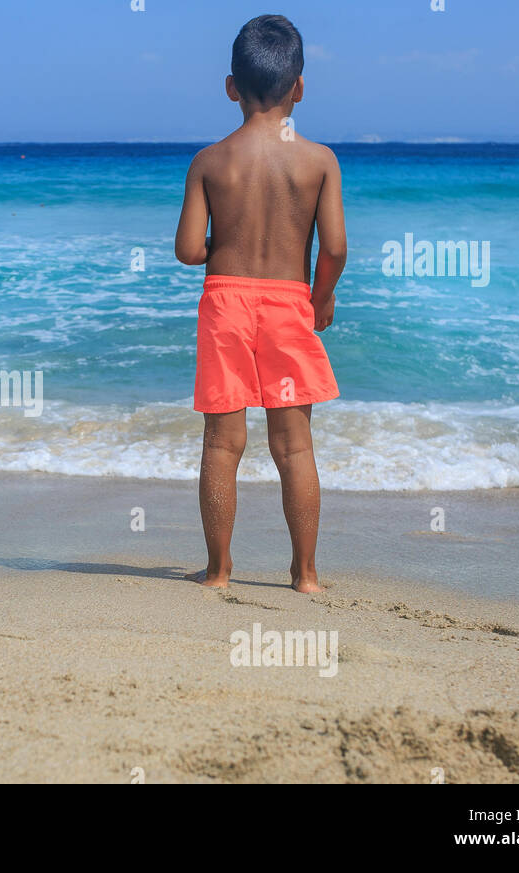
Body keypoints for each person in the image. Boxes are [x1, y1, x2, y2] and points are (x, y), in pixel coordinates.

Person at [174, 14, 347, 593]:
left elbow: (186, 250)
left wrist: (219, 247)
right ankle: (306, 574)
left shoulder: (209, 161)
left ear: (231, 87)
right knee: (294, 446)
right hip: (288, 304)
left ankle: (219, 571)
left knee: (223, 443)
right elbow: (335, 248)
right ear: (299, 86)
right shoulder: (319, 160)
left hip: (225, 304)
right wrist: (320, 301)